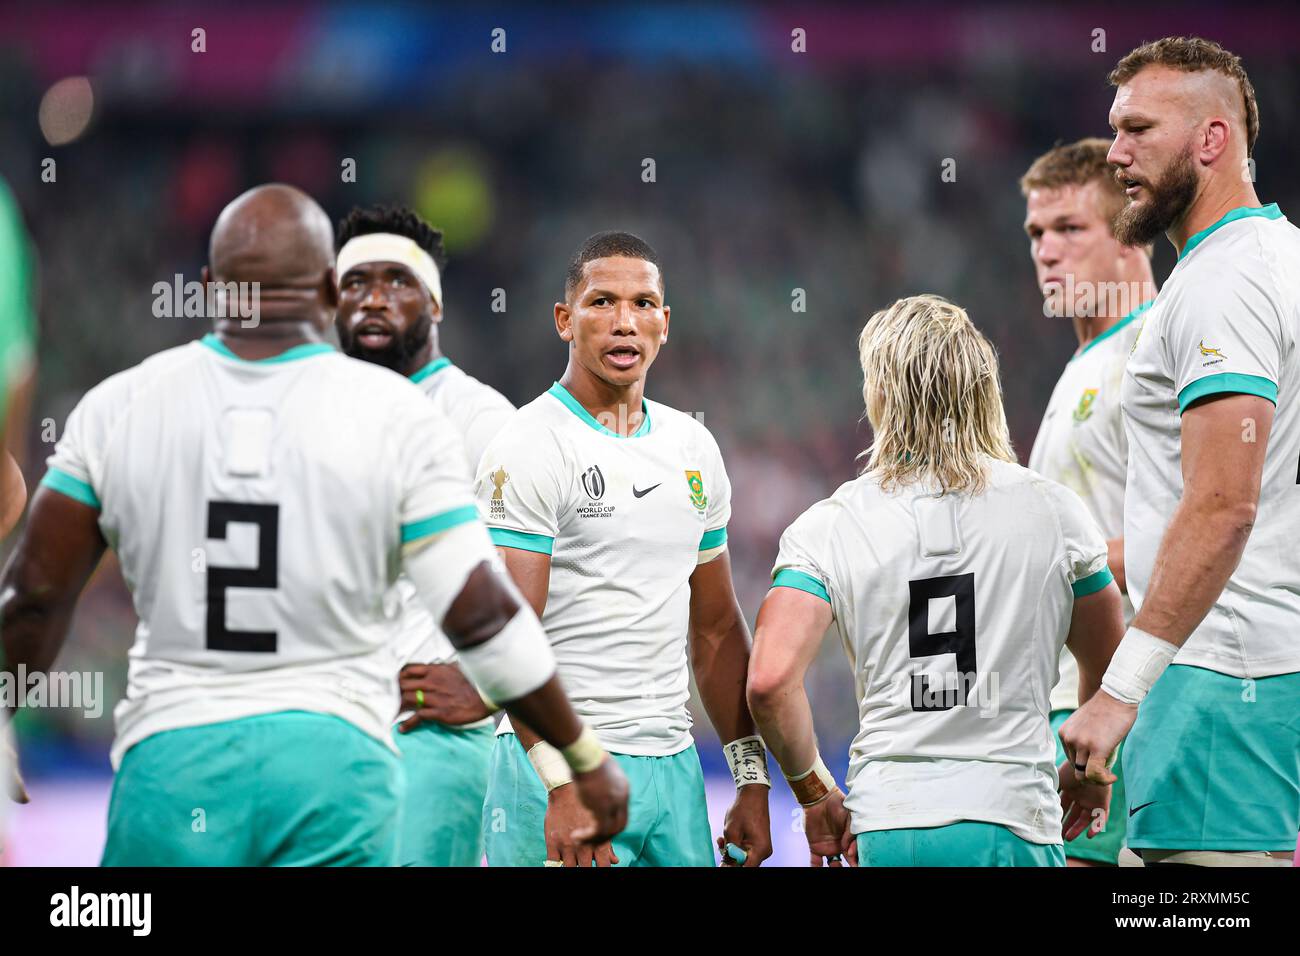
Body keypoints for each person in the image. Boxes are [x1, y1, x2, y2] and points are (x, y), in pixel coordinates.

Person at [0, 184, 627, 866]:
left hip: (176, 757)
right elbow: (481, 612)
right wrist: (583, 756)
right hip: (336, 763)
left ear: (210, 288)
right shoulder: (395, 416)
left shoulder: (120, 405)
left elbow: (35, 592)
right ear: (331, 290)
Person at [749, 294, 1124, 867]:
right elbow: (1107, 663)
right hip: (1016, 815)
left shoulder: (832, 522)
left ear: (881, 394)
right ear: (983, 388)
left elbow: (771, 681)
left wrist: (814, 790)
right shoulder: (1054, 511)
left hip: (893, 821)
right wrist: (1090, 768)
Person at [1061, 36, 1300, 867]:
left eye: (1138, 131)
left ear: (1212, 140)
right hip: (1249, 668)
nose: (1118, 155)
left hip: (1216, 672)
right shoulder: (1280, 258)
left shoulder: (1221, 282)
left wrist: (1119, 689)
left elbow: (1224, 503)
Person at [477, 231, 771, 866]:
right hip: (558, 764)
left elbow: (717, 629)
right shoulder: (529, 446)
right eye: (602, 302)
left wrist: (749, 777)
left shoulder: (693, 448)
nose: (624, 323)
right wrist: (561, 781)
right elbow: (508, 635)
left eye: (643, 304)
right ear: (565, 320)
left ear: (665, 322)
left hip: (674, 770)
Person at [334, 203, 515, 866]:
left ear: (434, 304)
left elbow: (562, 572)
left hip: (429, 744)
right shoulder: (316, 418)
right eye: (356, 283)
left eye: (397, 281)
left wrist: (489, 687)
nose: (375, 298)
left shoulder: (479, 419)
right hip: (329, 741)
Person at [1019, 137, 1159, 865]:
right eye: (1038, 233)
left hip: (1127, 705)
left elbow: (1215, 534)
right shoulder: (1089, 361)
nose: (1047, 250)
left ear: (1131, 230)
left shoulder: (1154, 355)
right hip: (1069, 704)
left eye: (1071, 229)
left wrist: (1046, 568)